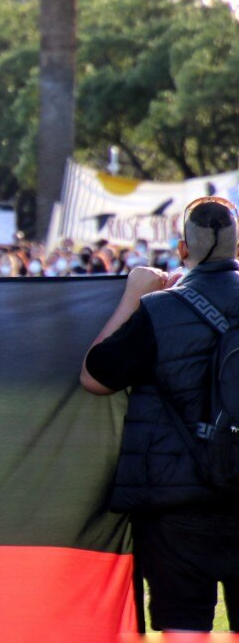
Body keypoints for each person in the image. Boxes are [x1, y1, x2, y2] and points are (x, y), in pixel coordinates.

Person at [80, 197, 239, 632]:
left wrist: (134, 296)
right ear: (237, 247)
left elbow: (95, 377)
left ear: (183, 250)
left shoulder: (159, 311)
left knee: (184, 626)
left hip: (174, 503)